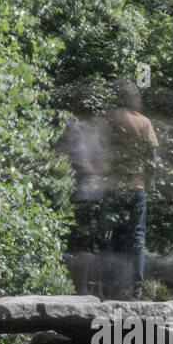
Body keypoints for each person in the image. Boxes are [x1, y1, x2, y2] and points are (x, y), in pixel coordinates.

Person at [99, 80, 158, 299]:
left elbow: (102, 149)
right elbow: (152, 159)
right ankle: (137, 288)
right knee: (138, 238)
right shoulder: (144, 122)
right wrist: (148, 185)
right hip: (137, 185)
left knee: (107, 236)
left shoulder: (110, 118)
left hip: (113, 186)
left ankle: (105, 287)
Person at [54, 89, 108, 295]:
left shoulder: (73, 126)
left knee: (80, 243)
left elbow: (64, 153)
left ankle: (82, 289)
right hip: (98, 188)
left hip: (83, 188)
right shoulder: (96, 129)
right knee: (97, 243)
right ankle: (97, 290)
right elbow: (103, 162)